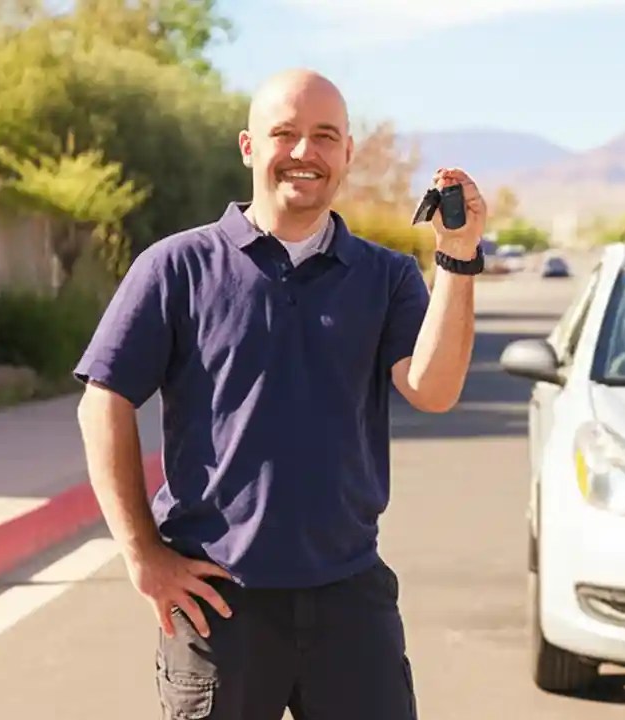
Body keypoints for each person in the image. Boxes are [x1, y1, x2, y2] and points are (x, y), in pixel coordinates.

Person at [73, 68, 484, 719]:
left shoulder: (387, 277)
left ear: (347, 153)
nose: (304, 153)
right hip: (217, 606)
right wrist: (142, 552)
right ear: (247, 146)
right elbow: (103, 401)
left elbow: (433, 390)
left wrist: (457, 259)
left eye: (324, 136)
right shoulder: (176, 267)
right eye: (284, 133)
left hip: (352, 600)